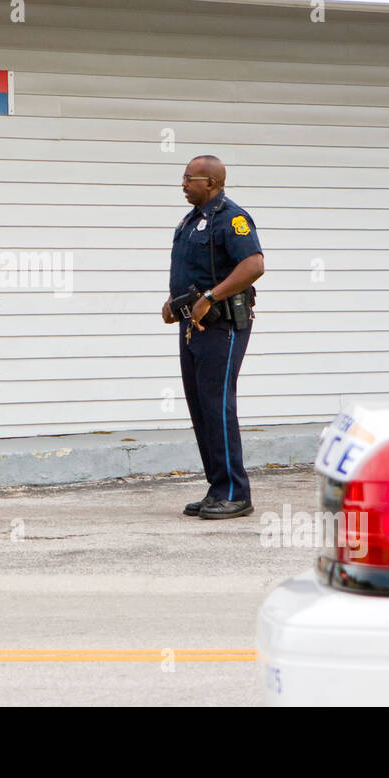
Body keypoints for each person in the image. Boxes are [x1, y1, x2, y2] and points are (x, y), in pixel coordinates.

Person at [163, 155, 265, 519]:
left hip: (222, 325)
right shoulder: (191, 220)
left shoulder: (232, 218)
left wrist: (210, 298)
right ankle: (218, 488)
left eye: (190, 178)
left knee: (218, 402)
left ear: (212, 182)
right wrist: (174, 301)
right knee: (200, 405)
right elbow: (193, 269)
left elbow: (253, 265)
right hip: (192, 324)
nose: (183, 184)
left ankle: (236, 492)